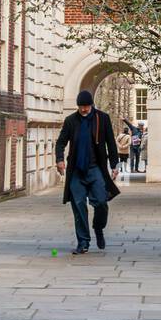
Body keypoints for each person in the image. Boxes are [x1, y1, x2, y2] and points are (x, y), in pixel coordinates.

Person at [55, 90, 120, 254]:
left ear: (91, 105)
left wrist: (114, 165)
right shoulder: (70, 121)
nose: (83, 109)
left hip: (95, 168)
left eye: (86, 106)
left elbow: (111, 143)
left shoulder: (102, 118)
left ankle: (98, 227)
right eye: (81, 107)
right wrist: (59, 160)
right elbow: (61, 142)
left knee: (101, 202)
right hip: (76, 171)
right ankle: (83, 242)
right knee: (78, 206)